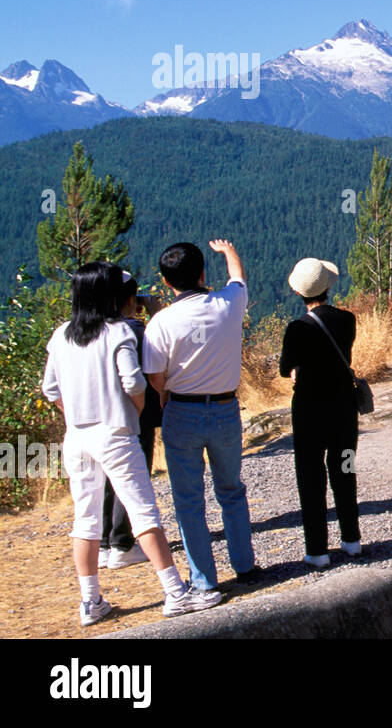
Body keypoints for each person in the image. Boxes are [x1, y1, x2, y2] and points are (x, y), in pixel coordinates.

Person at [42, 262, 223, 626]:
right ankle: (174, 592)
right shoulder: (117, 333)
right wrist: (134, 411)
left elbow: (50, 389)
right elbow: (135, 384)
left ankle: (90, 601)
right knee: (144, 512)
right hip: (115, 433)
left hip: (76, 436)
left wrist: (76, 413)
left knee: (85, 519)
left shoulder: (61, 334)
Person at [143, 240, 258, 591]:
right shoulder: (229, 303)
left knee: (188, 501)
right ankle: (244, 565)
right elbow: (238, 277)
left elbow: (153, 374)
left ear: (165, 282)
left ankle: (204, 580)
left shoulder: (160, 322)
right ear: (203, 273)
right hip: (225, 409)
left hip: (181, 410)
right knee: (232, 490)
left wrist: (165, 393)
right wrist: (229, 252)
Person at [279, 258, 363, 568]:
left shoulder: (297, 328)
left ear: (299, 293)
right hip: (343, 408)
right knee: (344, 470)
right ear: (328, 287)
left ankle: (317, 550)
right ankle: (352, 541)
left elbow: (283, 368)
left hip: (309, 410)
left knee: (311, 476)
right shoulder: (347, 320)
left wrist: (299, 370)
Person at [97, 275, 163, 569]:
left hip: (98, 419)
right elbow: (164, 346)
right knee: (133, 475)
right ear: (128, 300)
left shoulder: (89, 331)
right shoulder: (134, 330)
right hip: (134, 417)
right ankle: (122, 543)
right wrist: (155, 312)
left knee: (106, 479)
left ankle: (102, 542)